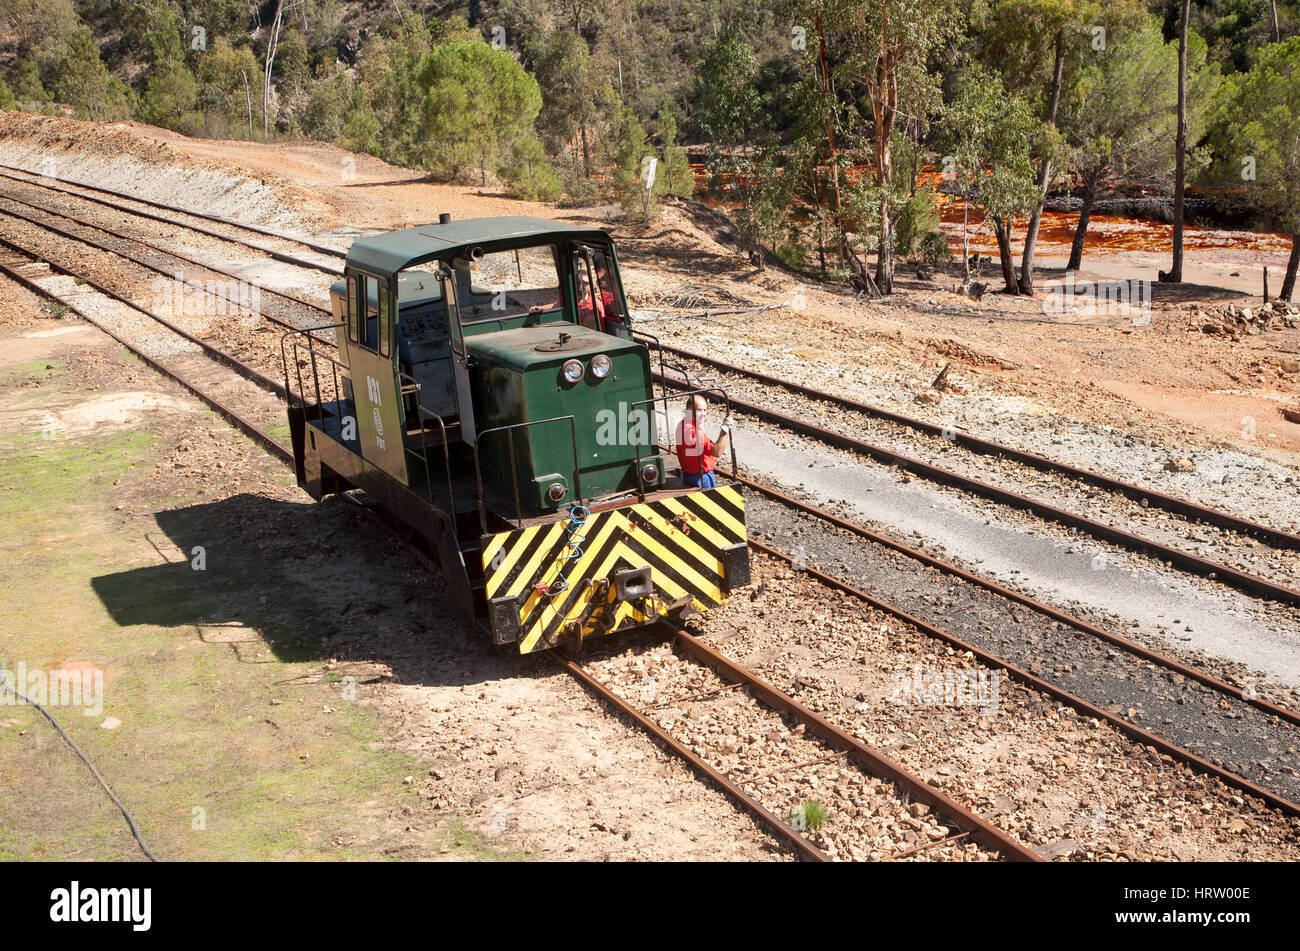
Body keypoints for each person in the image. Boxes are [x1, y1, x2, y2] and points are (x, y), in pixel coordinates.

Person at [675, 394, 731, 488]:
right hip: (700, 477)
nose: (704, 414)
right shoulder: (692, 431)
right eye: (699, 410)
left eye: (705, 410)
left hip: (691, 474)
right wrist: (724, 430)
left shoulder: (683, 424)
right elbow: (717, 452)